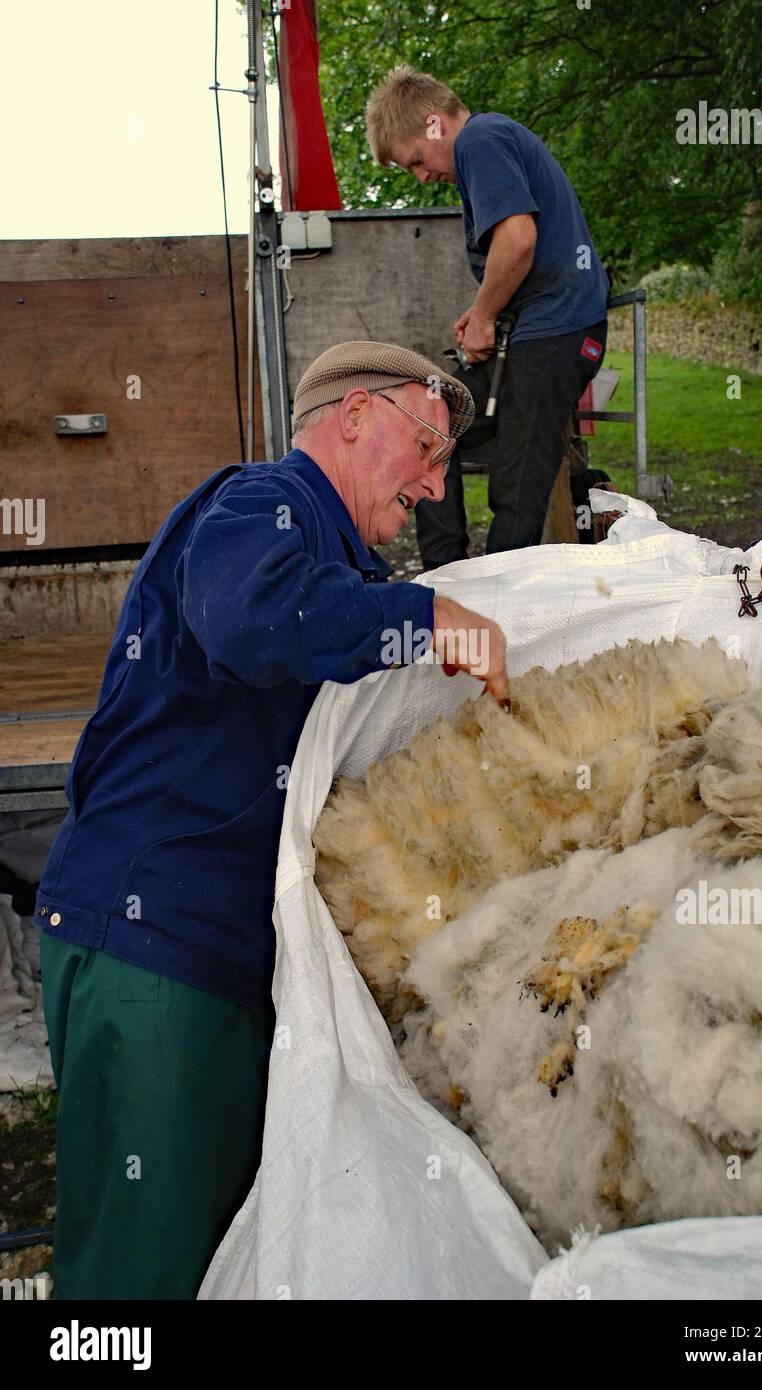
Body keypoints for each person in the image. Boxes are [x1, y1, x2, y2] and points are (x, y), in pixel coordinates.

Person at [36, 339, 509, 1300]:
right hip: (151, 943)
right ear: (353, 416)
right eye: (424, 446)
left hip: (208, 963)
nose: (431, 484)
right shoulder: (260, 504)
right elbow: (252, 617)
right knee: (142, 1267)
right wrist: (432, 618)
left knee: (216, 1253)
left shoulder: (334, 566)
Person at [366, 66, 610, 569]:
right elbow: (520, 254)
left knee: (517, 482)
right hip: (536, 327)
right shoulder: (485, 147)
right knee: (432, 422)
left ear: (434, 125)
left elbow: (519, 239)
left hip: (559, 332)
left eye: (415, 159)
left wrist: (485, 315)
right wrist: (483, 311)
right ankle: (446, 578)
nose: (420, 175)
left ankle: (499, 604)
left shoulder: (480, 139)